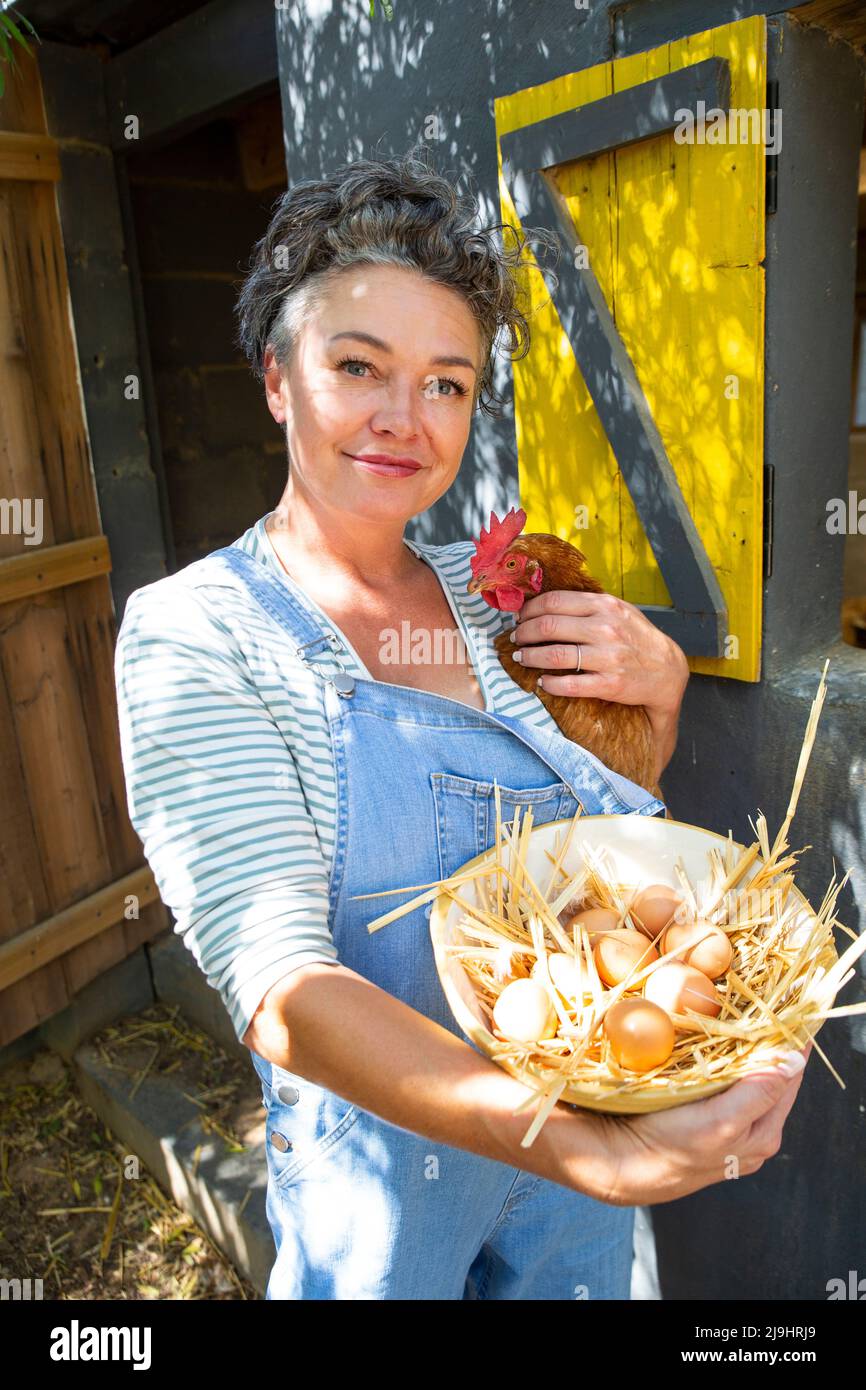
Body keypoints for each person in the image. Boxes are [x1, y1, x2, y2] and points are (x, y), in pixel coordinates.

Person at [114, 146, 812, 1301]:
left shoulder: (491, 604)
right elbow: (281, 984)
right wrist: (579, 1141)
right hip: (381, 1179)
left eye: (446, 381)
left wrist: (657, 711)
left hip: (573, 1131)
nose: (406, 419)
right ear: (277, 377)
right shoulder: (200, 631)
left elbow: (603, 865)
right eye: (358, 366)